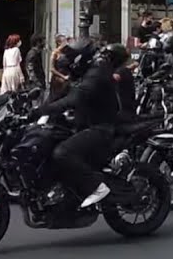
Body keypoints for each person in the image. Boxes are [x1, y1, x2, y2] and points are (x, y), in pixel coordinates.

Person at [32, 37, 121, 208]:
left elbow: (75, 98)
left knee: (62, 153)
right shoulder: (86, 71)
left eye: (73, 61)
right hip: (83, 124)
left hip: (100, 127)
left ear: (81, 59)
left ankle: (97, 186)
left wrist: (42, 110)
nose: (71, 66)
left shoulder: (96, 73)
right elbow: (63, 95)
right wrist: (36, 109)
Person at [102, 43, 136, 121]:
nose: (106, 58)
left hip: (123, 113)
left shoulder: (121, 71)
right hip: (116, 111)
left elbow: (111, 79)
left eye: (109, 56)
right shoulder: (117, 69)